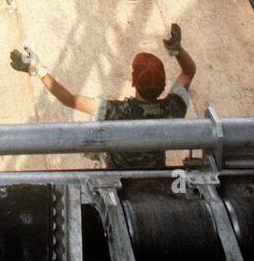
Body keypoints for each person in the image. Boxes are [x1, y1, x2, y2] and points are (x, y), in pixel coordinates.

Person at [10, 23, 195, 170]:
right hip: (154, 179)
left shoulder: (115, 112)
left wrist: (35, 68)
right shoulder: (172, 109)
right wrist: (177, 49)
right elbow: (188, 72)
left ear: (133, 81)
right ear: (163, 86)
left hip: (119, 180)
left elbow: (68, 99)